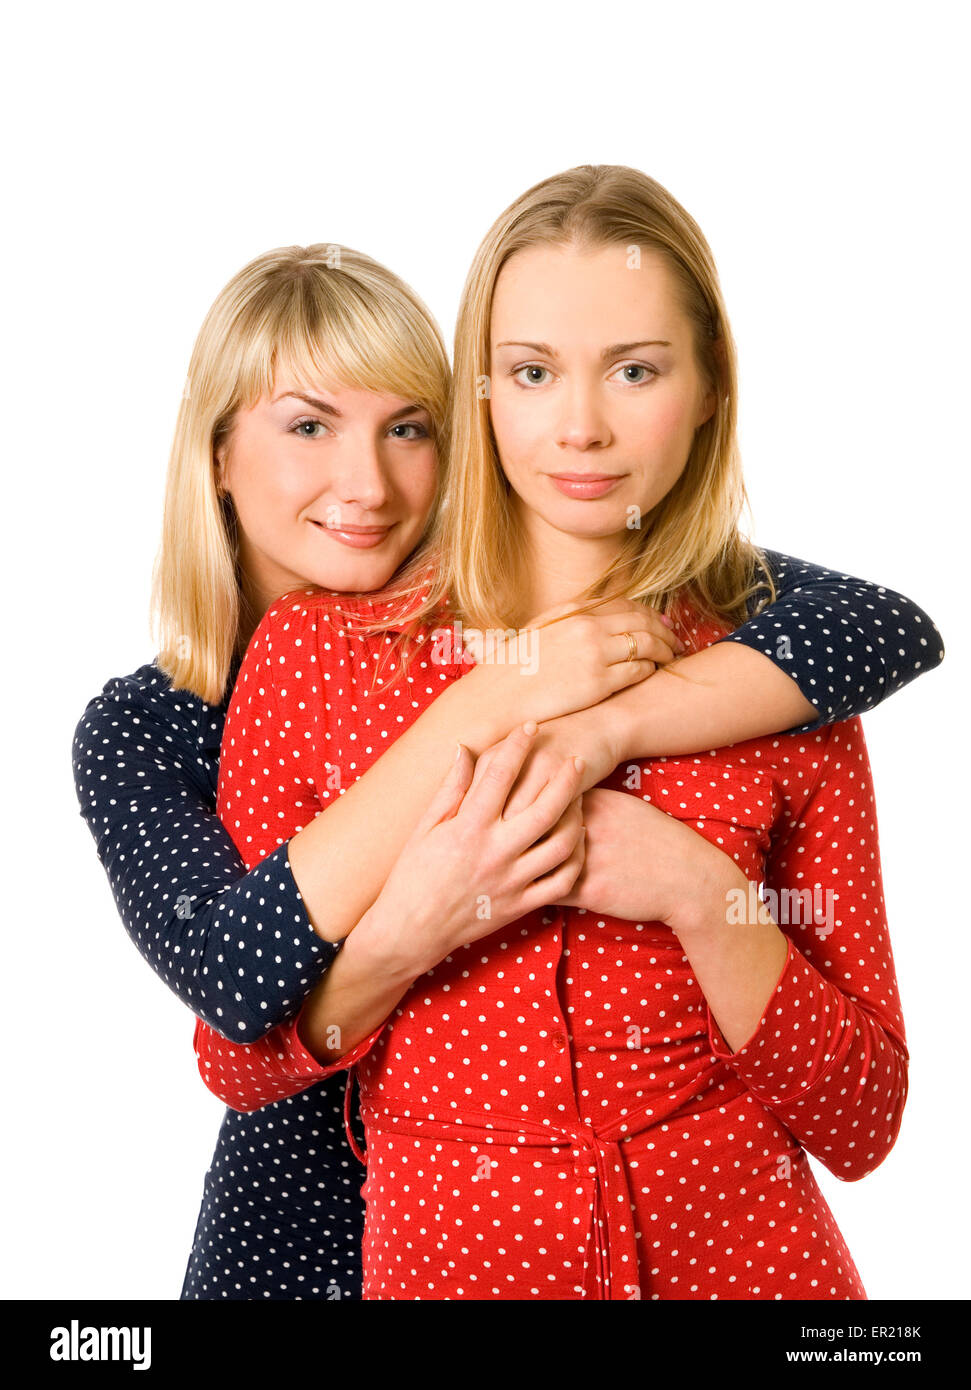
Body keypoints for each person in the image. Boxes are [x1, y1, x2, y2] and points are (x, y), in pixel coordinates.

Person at [191, 167, 940, 1299]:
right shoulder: (318, 659)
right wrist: (405, 927)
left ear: (706, 390)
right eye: (533, 373)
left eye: (634, 370)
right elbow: (237, 1059)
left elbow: (864, 1119)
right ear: (479, 393)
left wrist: (702, 895)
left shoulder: (774, 682)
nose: (580, 429)